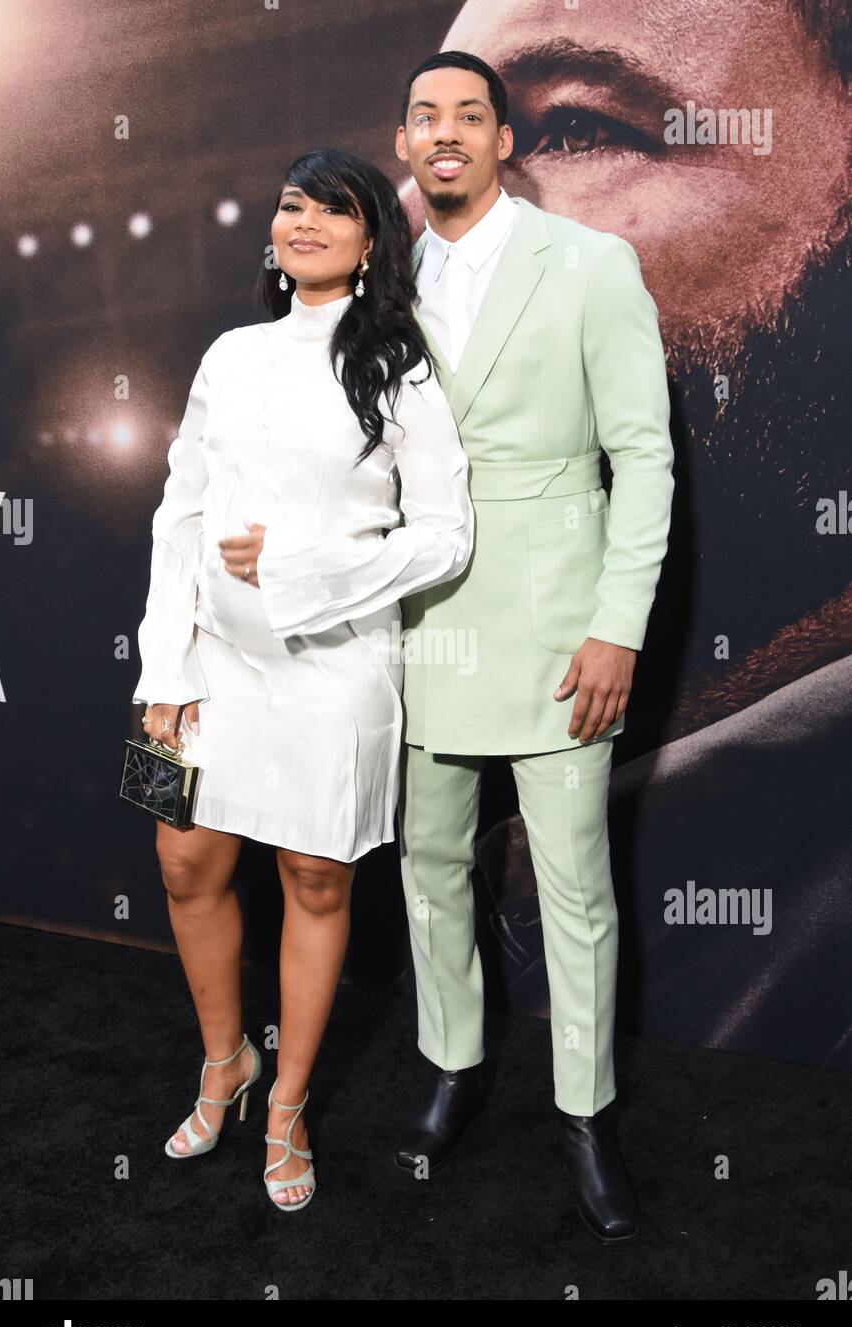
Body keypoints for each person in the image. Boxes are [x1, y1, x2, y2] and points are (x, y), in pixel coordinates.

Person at [131, 148, 474, 1211]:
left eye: (336, 209)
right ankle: (222, 1060)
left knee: (315, 882)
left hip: (334, 668)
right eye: (292, 206)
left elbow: (446, 536)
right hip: (211, 665)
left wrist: (301, 567)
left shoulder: (401, 362)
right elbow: (179, 515)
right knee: (185, 861)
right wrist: (163, 664)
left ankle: (285, 1102)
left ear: (373, 241)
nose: (308, 222)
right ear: (273, 236)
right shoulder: (230, 353)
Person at [391, 52, 675, 1243]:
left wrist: (616, 626)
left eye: (467, 115)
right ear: (405, 144)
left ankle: (584, 1111)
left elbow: (644, 457)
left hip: (561, 619)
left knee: (574, 889)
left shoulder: (591, 264)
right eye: (423, 117)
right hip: (417, 622)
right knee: (428, 867)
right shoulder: (378, 277)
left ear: (504, 141)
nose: (443, 133)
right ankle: (455, 1065)